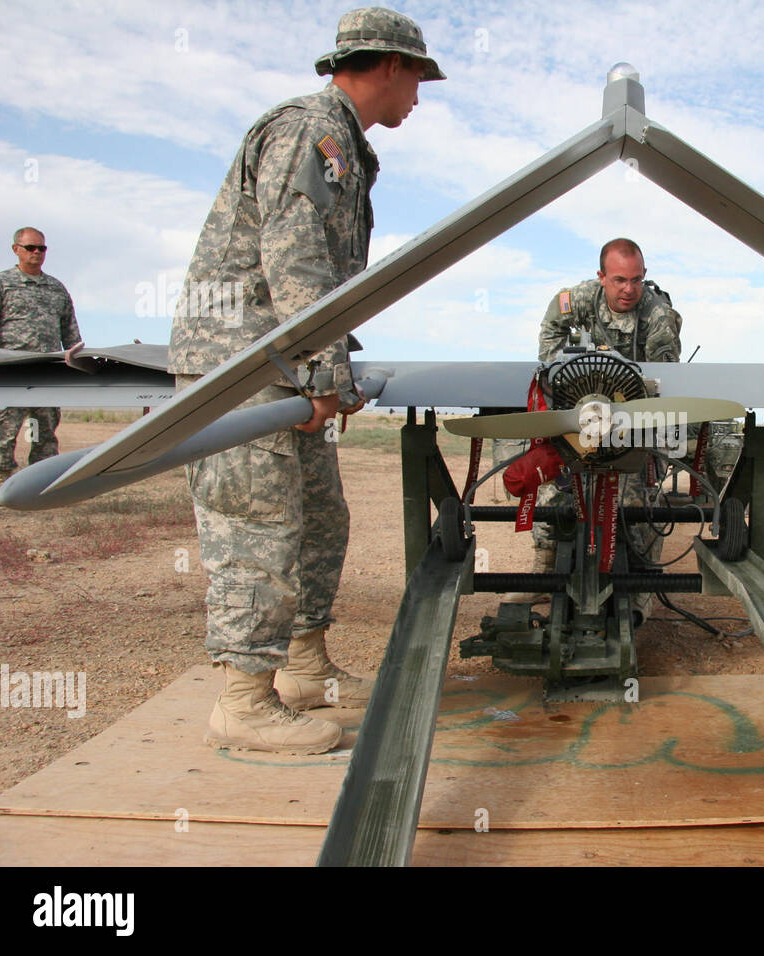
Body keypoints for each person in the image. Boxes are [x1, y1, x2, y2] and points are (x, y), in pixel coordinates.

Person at [170, 7, 444, 754]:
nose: (420, 94)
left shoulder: (344, 144)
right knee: (259, 530)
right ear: (388, 65)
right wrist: (326, 367)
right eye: (418, 76)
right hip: (240, 367)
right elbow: (294, 260)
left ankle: (302, 668)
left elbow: (323, 279)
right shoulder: (310, 130)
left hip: (285, 366)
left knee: (321, 520)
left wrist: (329, 367)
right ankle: (242, 702)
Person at [512, 239, 682, 613]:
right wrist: (568, 383)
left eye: (637, 280)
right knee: (554, 490)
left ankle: (639, 590)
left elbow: (664, 383)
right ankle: (544, 575)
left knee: (637, 502)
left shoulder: (658, 317)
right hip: (580, 411)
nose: (629, 289)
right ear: (601, 277)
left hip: (635, 416)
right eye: (620, 280)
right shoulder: (580, 299)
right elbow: (551, 338)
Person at [0, 227, 81, 485]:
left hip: (48, 372)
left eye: (42, 248)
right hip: (11, 371)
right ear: (16, 249)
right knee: (3, 428)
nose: (37, 252)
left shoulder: (56, 288)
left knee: (45, 429)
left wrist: (75, 364)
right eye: (30, 248)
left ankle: (42, 481)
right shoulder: (0, 284)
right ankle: (2, 479)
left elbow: (70, 332)